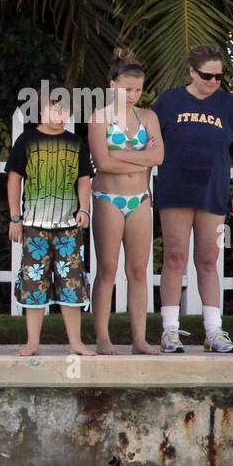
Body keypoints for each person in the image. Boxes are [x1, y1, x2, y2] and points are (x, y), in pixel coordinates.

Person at [153, 44, 233, 353]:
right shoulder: (168, 101)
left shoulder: (229, 105)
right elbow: (151, 145)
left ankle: (214, 331)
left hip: (213, 191)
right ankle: (169, 330)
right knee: (175, 257)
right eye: (207, 76)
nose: (213, 82)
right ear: (191, 72)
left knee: (209, 260)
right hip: (175, 190)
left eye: (219, 77)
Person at [6, 91, 95, 357]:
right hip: (34, 225)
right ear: (41, 110)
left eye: (65, 112)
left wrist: (84, 209)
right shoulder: (27, 140)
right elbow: (14, 180)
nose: (61, 117)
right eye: (55, 110)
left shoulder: (76, 142)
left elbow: (83, 179)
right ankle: (33, 341)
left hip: (68, 225)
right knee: (34, 283)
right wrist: (14, 218)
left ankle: (76, 342)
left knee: (71, 283)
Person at [87, 48, 163, 355]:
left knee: (138, 271)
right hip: (108, 198)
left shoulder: (148, 116)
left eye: (138, 89)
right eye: (127, 89)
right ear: (112, 85)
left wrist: (122, 155)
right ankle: (102, 337)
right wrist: (141, 161)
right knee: (107, 268)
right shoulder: (99, 118)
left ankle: (139, 339)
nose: (133, 95)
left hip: (140, 200)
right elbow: (102, 163)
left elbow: (159, 156)